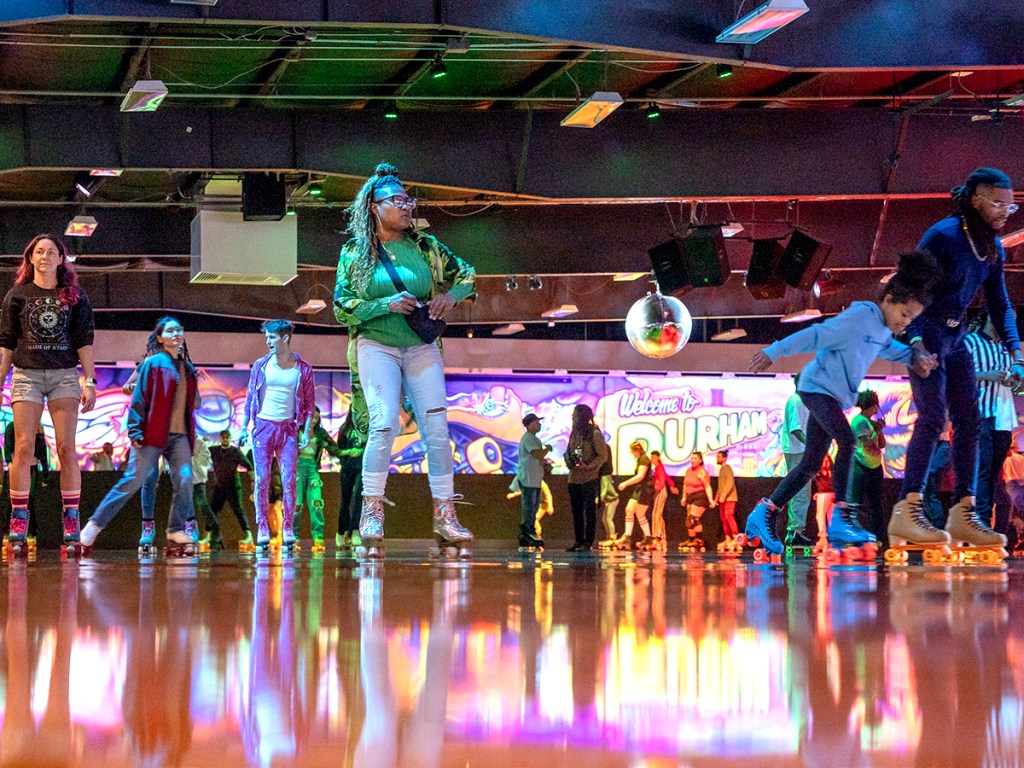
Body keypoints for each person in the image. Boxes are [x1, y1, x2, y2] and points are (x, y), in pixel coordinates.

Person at [746, 251, 939, 555]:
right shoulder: (861, 318)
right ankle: (842, 518)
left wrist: (917, 358)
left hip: (830, 396)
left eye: (911, 319)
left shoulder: (881, 330)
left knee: (810, 465)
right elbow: (817, 334)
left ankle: (764, 512)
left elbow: (891, 349)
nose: (905, 323)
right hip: (816, 388)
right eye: (904, 315)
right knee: (847, 440)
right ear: (889, 300)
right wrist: (776, 350)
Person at [333, 162, 476, 557]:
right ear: (374, 207)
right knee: (383, 425)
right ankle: (371, 512)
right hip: (376, 345)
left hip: (421, 346)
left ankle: (445, 515)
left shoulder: (426, 246)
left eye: (408, 200)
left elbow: (467, 273)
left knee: (437, 429)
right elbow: (341, 306)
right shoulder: (355, 252)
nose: (405, 206)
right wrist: (385, 304)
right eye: (396, 200)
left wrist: (452, 296)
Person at [893, 168, 1024, 549]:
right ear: (975, 200)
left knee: (970, 421)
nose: (1005, 212)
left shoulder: (992, 248)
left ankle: (963, 513)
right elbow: (907, 289)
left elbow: (1000, 303)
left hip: (955, 336)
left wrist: (1016, 352)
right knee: (932, 418)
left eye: (1011, 207)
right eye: (998, 204)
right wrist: (915, 342)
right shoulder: (943, 236)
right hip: (926, 331)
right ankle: (906, 510)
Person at [0, 234, 95, 555]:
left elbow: (84, 340)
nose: (44, 256)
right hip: (26, 375)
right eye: (39, 252)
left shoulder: (75, 296)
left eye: (51, 252)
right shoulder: (17, 295)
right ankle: (19, 519)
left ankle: (71, 518)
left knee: (67, 448)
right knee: (23, 447)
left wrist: (90, 381)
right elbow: (6, 344)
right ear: (31, 258)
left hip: (64, 376)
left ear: (60, 259)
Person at [81, 316, 200, 552]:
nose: (176, 334)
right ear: (160, 338)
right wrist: (135, 430)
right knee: (133, 480)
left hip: (179, 437)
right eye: (170, 331)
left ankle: (176, 529)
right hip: (152, 434)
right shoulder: (152, 363)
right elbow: (139, 397)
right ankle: (94, 525)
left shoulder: (188, 369)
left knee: (186, 479)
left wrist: (191, 434)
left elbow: (194, 404)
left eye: (179, 330)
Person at [243, 319, 315, 554]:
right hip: (263, 427)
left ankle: (288, 527)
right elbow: (250, 397)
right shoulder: (260, 365)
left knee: (289, 480)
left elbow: (310, 403)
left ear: (285, 338)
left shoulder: (303, 368)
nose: (268, 341)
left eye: (272, 337)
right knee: (262, 479)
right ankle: (262, 526)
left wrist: (306, 429)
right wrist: (245, 426)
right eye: (266, 337)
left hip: (288, 430)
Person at [964, 310, 1017, 538]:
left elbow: (1014, 384)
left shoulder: (1005, 348)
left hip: (1003, 416)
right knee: (983, 469)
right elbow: (958, 374)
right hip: (980, 413)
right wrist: (988, 375)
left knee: (994, 473)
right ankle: (981, 525)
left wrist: (1014, 381)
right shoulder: (971, 341)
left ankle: (986, 528)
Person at [296, 406, 350, 552]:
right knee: (296, 504)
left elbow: (334, 449)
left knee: (317, 503)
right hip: (297, 469)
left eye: (316, 418)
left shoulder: (320, 433)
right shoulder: (296, 430)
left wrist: (348, 452)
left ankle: (318, 537)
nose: (314, 420)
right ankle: (293, 537)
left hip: (312, 469)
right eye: (312, 417)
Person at [564, 404, 608, 552]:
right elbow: (568, 451)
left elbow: (603, 456)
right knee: (576, 511)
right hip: (574, 478)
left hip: (589, 478)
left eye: (575, 415)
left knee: (589, 512)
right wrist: (568, 460)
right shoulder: (574, 433)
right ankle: (578, 540)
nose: (572, 417)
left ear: (582, 416)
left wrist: (589, 466)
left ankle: (588, 542)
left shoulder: (594, 434)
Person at [0, 419, 47, 546]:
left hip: (31, 468)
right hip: (16, 466)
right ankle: (8, 531)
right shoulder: (12, 427)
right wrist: (10, 464)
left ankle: (31, 533)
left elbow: (42, 454)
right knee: (13, 499)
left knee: (30, 499)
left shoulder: (36, 427)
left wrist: (40, 435)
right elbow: (8, 448)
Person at [849, 390, 887, 546]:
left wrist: (880, 429)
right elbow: (866, 443)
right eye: (876, 405)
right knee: (856, 503)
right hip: (860, 465)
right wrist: (877, 430)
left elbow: (882, 444)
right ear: (872, 406)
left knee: (876, 504)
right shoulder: (859, 421)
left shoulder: (871, 422)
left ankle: (877, 537)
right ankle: (855, 538)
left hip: (875, 466)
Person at [780, 374, 814, 547]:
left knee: (802, 491)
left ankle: (796, 531)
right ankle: (795, 531)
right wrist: (811, 445)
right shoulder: (796, 401)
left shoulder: (801, 401)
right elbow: (796, 429)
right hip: (797, 450)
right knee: (800, 491)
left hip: (799, 450)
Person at [209, 430, 255, 548]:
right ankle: (208, 535)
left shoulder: (235, 452)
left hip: (233, 487)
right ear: (220, 438)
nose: (225, 439)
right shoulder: (214, 450)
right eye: (223, 437)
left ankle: (248, 535)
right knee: (212, 510)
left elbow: (248, 465)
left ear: (230, 438)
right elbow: (201, 453)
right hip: (220, 487)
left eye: (227, 437)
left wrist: (253, 481)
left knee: (238, 510)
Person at [515, 413, 550, 550]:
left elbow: (537, 457)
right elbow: (536, 453)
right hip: (529, 479)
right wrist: (547, 449)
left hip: (535, 479)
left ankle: (530, 532)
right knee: (529, 506)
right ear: (529, 425)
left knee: (533, 506)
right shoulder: (528, 439)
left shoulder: (534, 439)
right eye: (536, 422)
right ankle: (527, 532)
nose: (539, 424)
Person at [335, 405, 366, 549]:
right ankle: (342, 531)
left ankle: (355, 531)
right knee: (345, 500)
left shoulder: (367, 430)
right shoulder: (344, 429)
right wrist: (348, 454)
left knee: (359, 499)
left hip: (362, 468)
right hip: (347, 468)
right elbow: (339, 449)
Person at [615, 441, 655, 550]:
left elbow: (640, 476)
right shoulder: (641, 459)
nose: (632, 454)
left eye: (632, 451)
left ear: (637, 450)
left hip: (644, 489)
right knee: (631, 511)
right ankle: (634, 537)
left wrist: (625, 483)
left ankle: (642, 538)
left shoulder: (644, 459)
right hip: (640, 489)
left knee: (638, 513)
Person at [679, 451, 714, 551]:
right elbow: (685, 485)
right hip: (690, 497)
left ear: (700, 460)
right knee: (689, 521)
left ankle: (699, 540)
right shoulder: (688, 471)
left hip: (700, 496)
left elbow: (707, 486)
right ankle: (692, 540)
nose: (693, 460)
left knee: (693, 518)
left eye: (695, 458)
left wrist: (711, 500)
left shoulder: (702, 472)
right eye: (692, 458)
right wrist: (684, 497)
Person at [922, 421, 953, 528]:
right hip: (933, 443)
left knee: (930, 478)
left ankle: (937, 526)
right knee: (929, 490)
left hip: (944, 442)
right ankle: (931, 526)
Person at [191, 435, 218, 550]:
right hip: (185, 480)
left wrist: (195, 456)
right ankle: (190, 530)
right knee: (184, 505)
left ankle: (215, 529)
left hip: (198, 480)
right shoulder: (181, 442)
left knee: (202, 504)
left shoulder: (199, 443)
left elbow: (206, 460)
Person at [649, 450, 678, 551]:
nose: (652, 459)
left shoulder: (659, 468)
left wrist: (657, 488)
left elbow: (662, 480)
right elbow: (666, 477)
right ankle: (662, 537)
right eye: (651, 457)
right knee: (658, 514)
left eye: (654, 457)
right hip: (659, 490)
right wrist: (672, 485)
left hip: (660, 491)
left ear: (658, 457)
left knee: (656, 514)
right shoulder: (658, 468)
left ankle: (656, 537)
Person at [715, 450, 739, 545]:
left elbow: (730, 483)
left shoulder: (728, 469)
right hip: (723, 499)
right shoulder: (721, 470)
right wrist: (716, 498)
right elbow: (720, 487)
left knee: (729, 516)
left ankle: (736, 537)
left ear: (724, 458)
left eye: (719, 457)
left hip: (730, 498)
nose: (717, 459)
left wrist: (724, 495)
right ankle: (728, 538)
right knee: (724, 518)